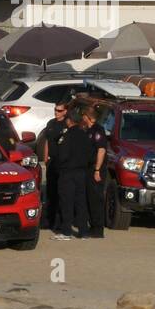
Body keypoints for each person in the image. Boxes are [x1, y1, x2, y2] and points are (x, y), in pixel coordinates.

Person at [52, 109, 93, 240]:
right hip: (81, 172)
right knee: (81, 202)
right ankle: (83, 232)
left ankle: (66, 231)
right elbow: (91, 154)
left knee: (66, 202)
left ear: (69, 121)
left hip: (67, 172)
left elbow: (62, 155)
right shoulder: (85, 135)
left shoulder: (67, 136)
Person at [39, 102, 69, 230]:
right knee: (50, 192)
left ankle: (60, 222)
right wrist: (45, 158)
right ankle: (49, 220)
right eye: (55, 110)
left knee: (62, 193)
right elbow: (47, 141)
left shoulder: (67, 125)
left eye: (59, 110)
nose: (56, 112)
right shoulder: (51, 123)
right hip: (51, 162)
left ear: (65, 111)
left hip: (62, 163)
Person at [81, 106, 107, 239]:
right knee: (89, 198)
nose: (82, 118)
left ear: (88, 117)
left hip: (96, 169)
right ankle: (92, 226)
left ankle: (98, 229)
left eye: (83, 115)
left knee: (96, 199)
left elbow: (101, 150)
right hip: (88, 168)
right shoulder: (88, 130)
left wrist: (97, 170)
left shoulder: (98, 130)